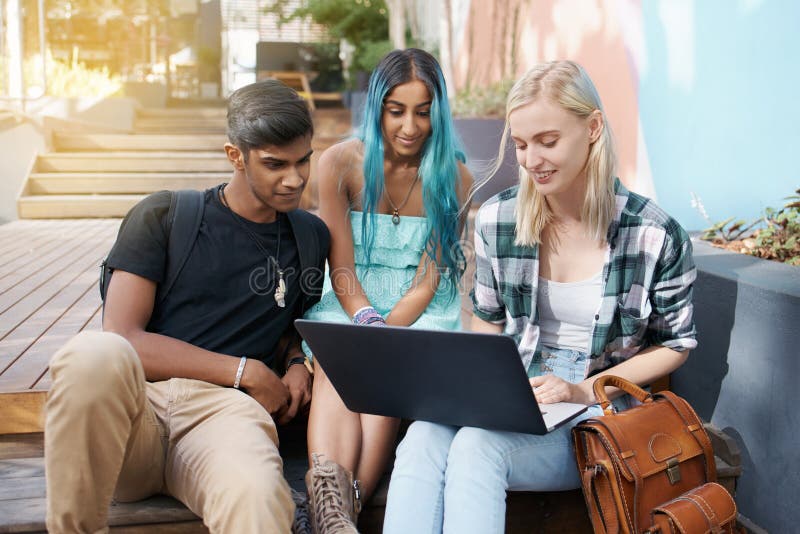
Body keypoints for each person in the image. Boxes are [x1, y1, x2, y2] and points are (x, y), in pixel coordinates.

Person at [382, 60, 698, 534]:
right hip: (518, 387)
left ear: (592, 128)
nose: (531, 160)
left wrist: (583, 390)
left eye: (548, 141)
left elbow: (676, 343)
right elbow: (487, 322)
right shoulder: (498, 218)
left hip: (599, 409)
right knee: (423, 436)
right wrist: (474, 388)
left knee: (475, 448)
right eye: (522, 144)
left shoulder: (653, 233)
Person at [44, 79, 330, 534]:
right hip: (137, 413)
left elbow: (292, 320)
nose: (294, 179)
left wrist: (295, 359)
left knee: (257, 498)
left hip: (224, 419)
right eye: (275, 164)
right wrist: (246, 371)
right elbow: (124, 338)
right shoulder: (164, 217)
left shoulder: (309, 237)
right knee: (91, 354)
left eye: (303, 161)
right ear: (235, 155)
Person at [301, 48, 474, 533]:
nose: (410, 126)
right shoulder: (340, 163)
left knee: (384, 378)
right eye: (396, 110)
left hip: (418, 311)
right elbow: (341, 268)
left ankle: (337, 510)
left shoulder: (454, 177)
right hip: (351, 298)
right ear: (377, 106)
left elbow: (428, 278)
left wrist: (387, 331)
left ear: (438, 111)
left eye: (423, 111)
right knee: (338, 367)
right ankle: (336, 509)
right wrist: (365, 322)